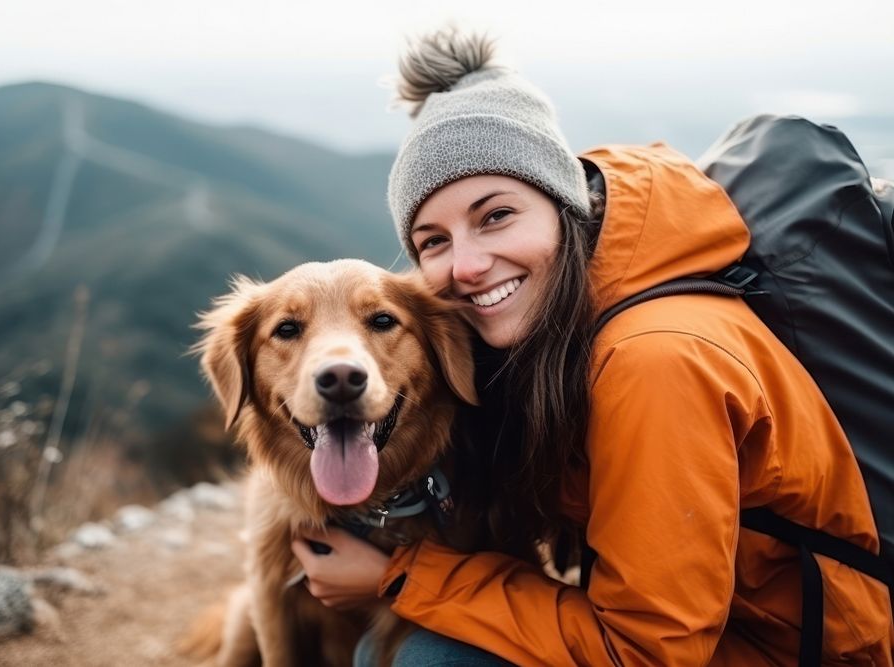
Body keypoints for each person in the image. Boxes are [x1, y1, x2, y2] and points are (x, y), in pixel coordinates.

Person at [290, 29, 894, 665]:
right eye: (433, 240)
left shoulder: (655, 362)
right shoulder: (570, 328)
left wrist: (404, 575)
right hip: (742, 631)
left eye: (496, 215)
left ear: (563, 206)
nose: (465, 265)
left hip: (797, 653)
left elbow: (645, 650)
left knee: (425, 659)